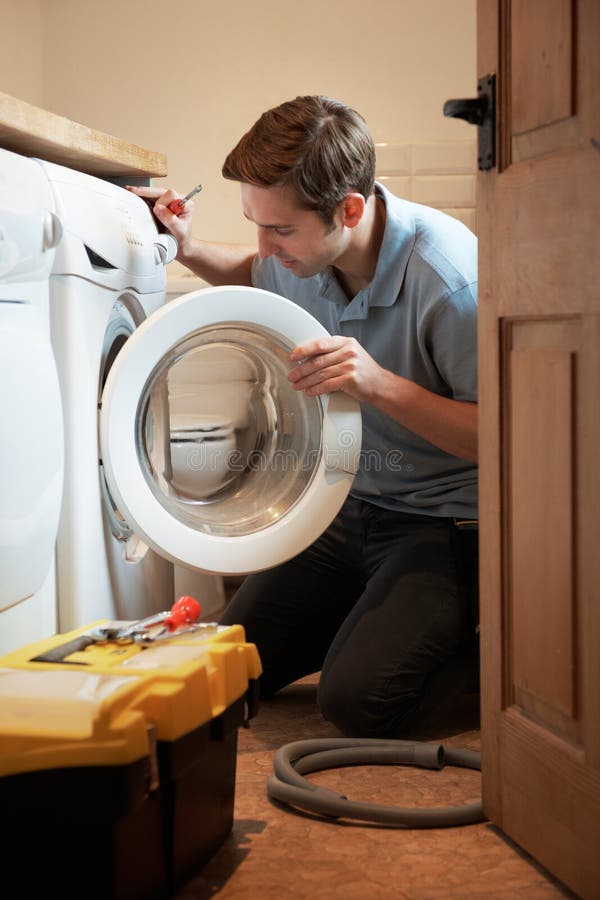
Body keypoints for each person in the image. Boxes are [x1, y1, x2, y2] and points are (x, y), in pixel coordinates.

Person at [127, 95, 479, 738]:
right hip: (349, 510)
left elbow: (511, 439)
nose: (266, 245)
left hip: (444, 525)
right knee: (227, 670)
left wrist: (377, 384)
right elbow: (254, 271)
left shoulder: (450, 278)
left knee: (359, 702)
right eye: (256, 224)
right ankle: (369, 624)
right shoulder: (311, 254)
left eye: (280, 230)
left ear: (349, 208)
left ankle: (503, 663)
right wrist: (185, 245)